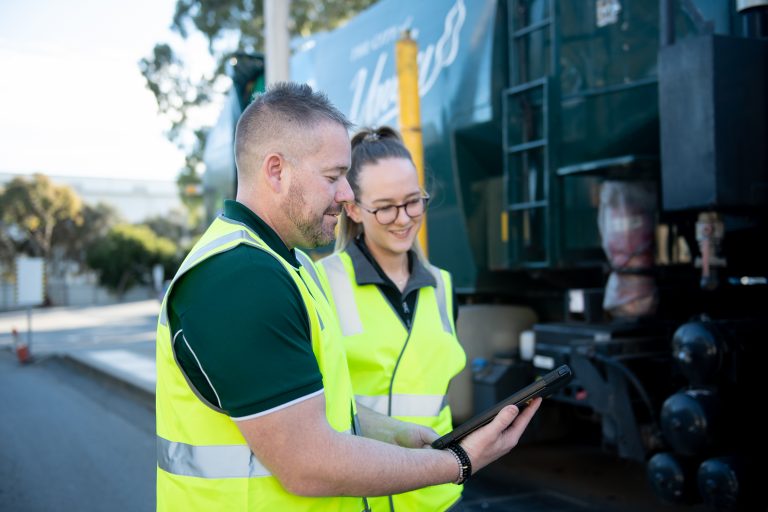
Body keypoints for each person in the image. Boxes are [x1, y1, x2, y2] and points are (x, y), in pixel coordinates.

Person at [155, 81, 541, 511]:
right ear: (276, 170)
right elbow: (308, 463)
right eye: (334, 176)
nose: (345, 194)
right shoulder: (240, 278)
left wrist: (397, 433)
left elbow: (321, 409)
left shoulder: (287, 265)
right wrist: (461, 463)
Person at [316, 126, 466, 511]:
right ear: (352, 208)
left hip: (441, 494)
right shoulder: (320, 283)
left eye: (414, 201)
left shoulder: (443, 284)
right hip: (361, 498)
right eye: (384, 206)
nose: (403, 219)